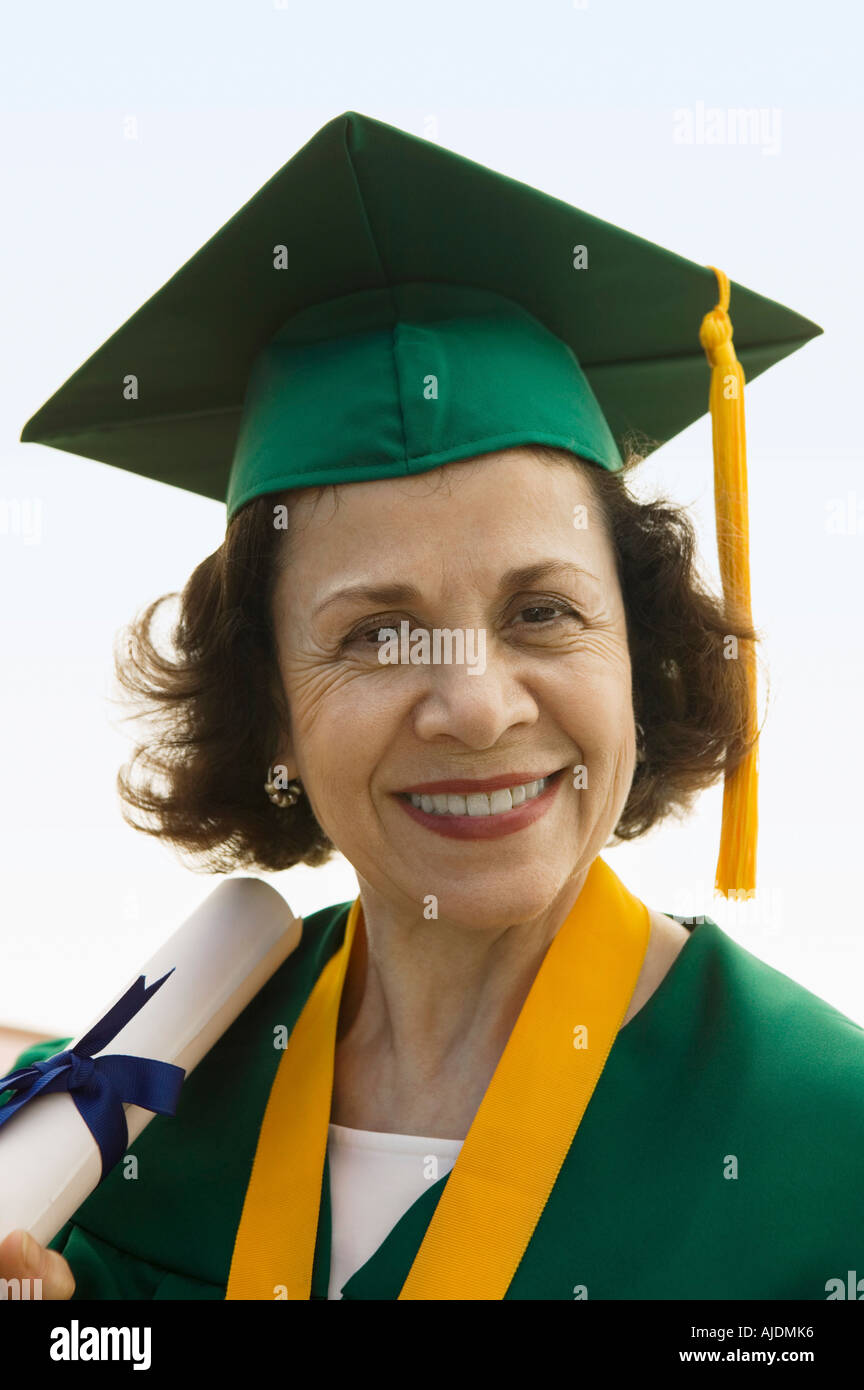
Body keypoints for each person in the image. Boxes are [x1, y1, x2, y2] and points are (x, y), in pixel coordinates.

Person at [2, 110, 862, 1301]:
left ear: (642, 648)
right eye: (373, 634)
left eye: (542, 612)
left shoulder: (825, 1149)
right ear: (270, 705)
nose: (474, 705)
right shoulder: (125, 1122)